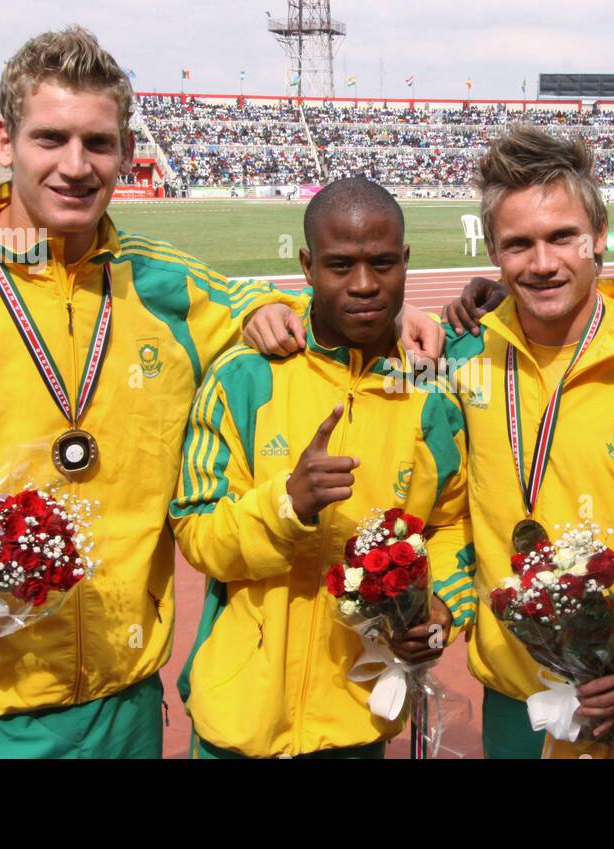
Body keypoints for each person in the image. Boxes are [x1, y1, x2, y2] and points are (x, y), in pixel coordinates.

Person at [0, 28, 437, 759]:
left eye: (98, 143)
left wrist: (397, 316)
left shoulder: (175, 287)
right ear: (3, 141)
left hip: (120, 704)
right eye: (50, 138)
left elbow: (288, 308)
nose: (75, 165)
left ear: (127, 151)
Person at [171, 177, 475, 758]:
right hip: (237, 721)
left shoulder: (433, 395)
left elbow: (455, 525)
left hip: (360, 717)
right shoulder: (243, 377)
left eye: (382, 263)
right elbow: (198, 535)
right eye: (340, 266)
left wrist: (443, 611)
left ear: (405, 260)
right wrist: (287, 507)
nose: (364, 285)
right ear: (307, 265)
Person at [441, 126, 614, 758]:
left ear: (599, 235)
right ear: (492, 250)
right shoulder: (461, 358)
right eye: (518, 244)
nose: (541, 263)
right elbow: (449, 513)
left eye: (562, 236)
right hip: (516, 700)